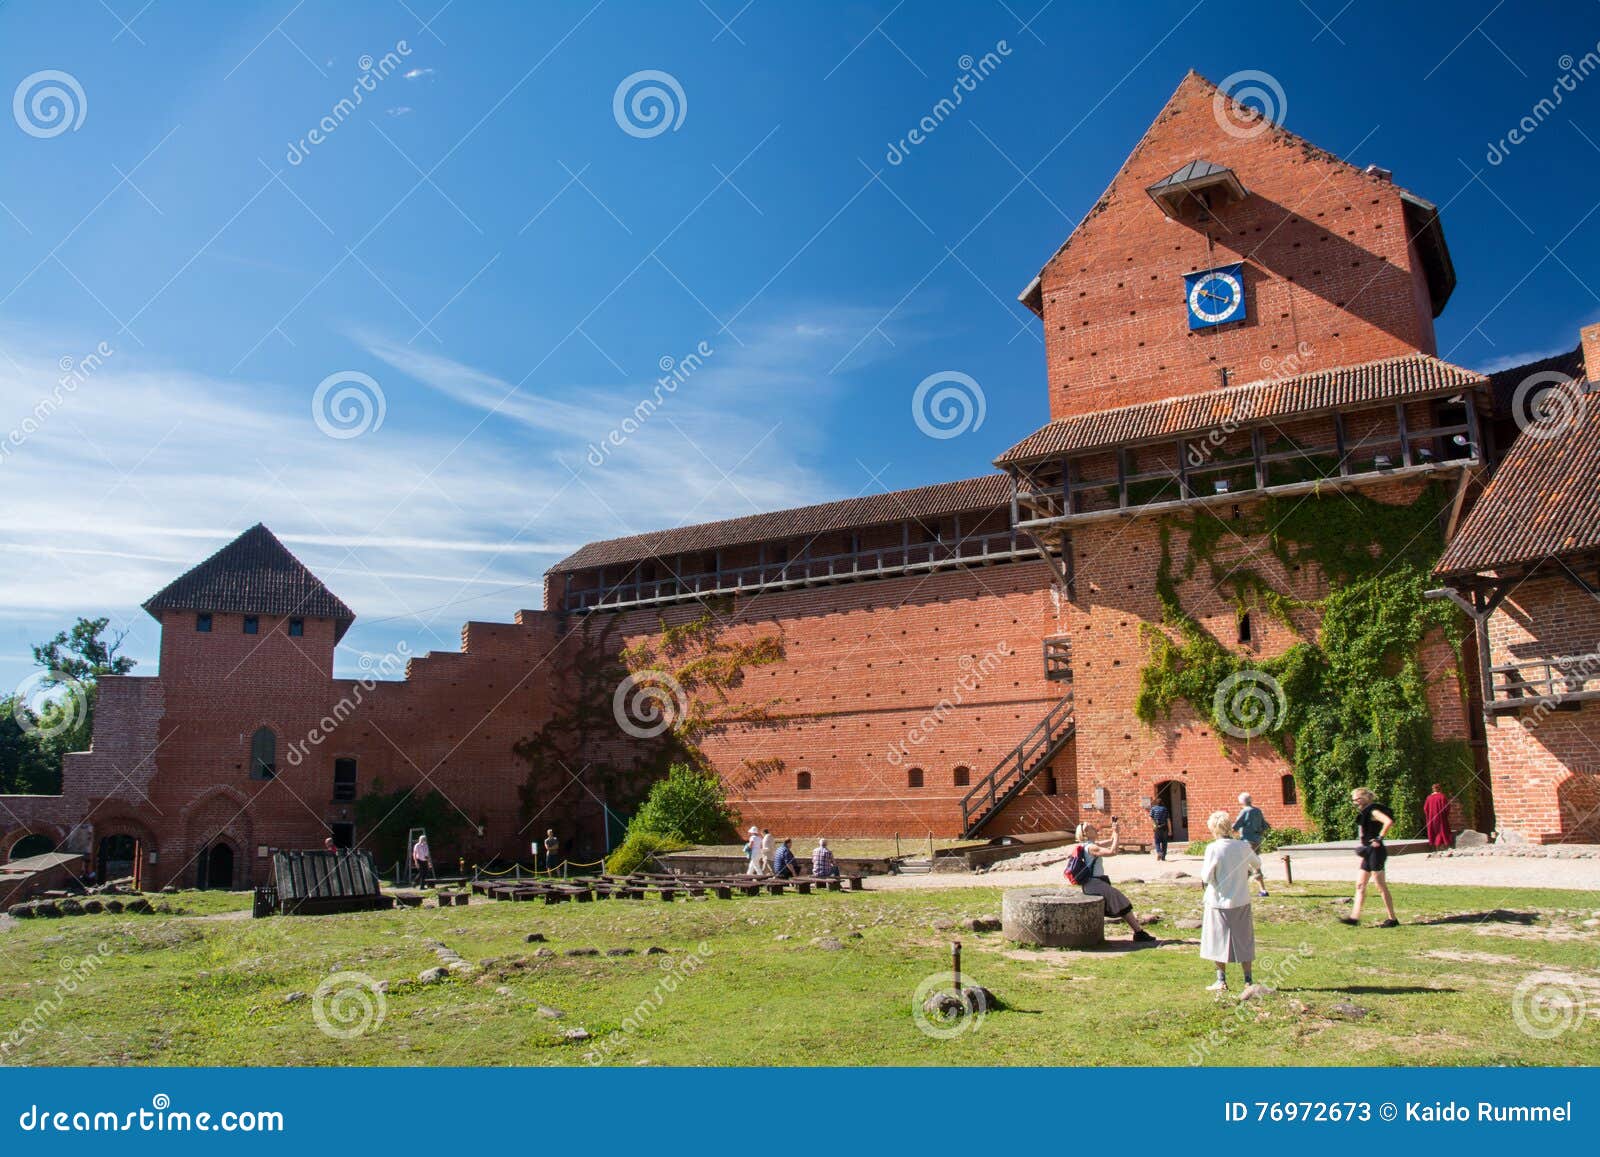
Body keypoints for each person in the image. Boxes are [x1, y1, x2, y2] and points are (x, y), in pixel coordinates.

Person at [1200, 810, 1262, 992]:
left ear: (1213, 828)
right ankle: (1248, 980)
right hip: (1241, 898)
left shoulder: (1213, 848)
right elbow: (1256, 863)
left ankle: (1221, 980)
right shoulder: (1242, 846)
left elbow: (1206, 876)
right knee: (1244, 939)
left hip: (1218, 900)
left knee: (1217, 939)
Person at [1068, 821, 1156, 943]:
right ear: (1086, 833)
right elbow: (1112, 852)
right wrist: (1117, 834)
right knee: (1123, 902)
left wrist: (1115, 831)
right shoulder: (1092, 847)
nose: (1094, 828)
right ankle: (1139, 933)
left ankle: (1138, 932)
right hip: (1096, 884)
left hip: (1093, 884)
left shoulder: (1087, 845)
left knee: (1120, 903)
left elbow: (1110, 841)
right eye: (1091, 827)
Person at [1339, 787, 1399, 927]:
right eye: (1354, 800)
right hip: (1367, 852)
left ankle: (1392, 919)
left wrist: (1379, 838)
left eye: (1357, 799)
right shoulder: (1364, 812)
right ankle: (1354, 918)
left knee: (1380, 885)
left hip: (1376, 852)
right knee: (1360, 885)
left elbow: (1388, 821)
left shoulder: (1373, 811)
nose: (1355, 802)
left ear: (1365, 798)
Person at [1231, 792, 1271, 898]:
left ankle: (1262, 890)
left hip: (1247, 842)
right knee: (1250, 864)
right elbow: (1265, 826)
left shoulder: (1244, 811)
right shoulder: (1258, 810)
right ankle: (1243, 889)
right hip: (1257, 840)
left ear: (1241, 801)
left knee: (1247, 865)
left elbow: (1235, 826)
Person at [1423, 784, 1453, 850]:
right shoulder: (1442, 797)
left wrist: (1429, 816)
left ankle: (1436, 847)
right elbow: (1447, 808)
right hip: (1441, 818)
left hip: (1432, 818)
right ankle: (1443, 846)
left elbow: (1425, 808)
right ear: (1440, 789)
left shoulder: (1429, 798)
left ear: (1433, 789)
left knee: (1434, 831)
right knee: (1442, 830)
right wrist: (1445, 815)